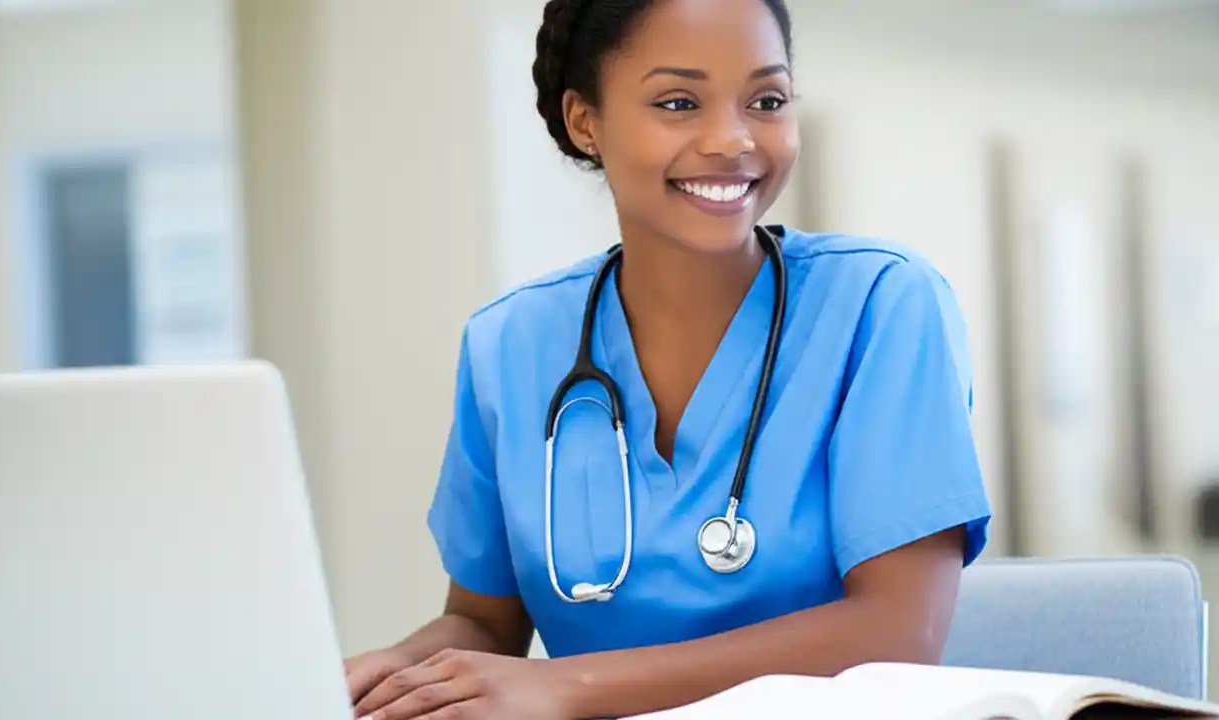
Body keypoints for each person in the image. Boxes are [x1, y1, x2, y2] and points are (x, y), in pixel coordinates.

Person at [344, 0, 993, 717]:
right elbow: (487, 623)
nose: (732, 138)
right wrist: (392, 673)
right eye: (678, 102)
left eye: (767, 100)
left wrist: (568, 685)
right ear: (584, 120)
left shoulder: (880, 303)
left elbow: (899, 632)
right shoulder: (512, 342)